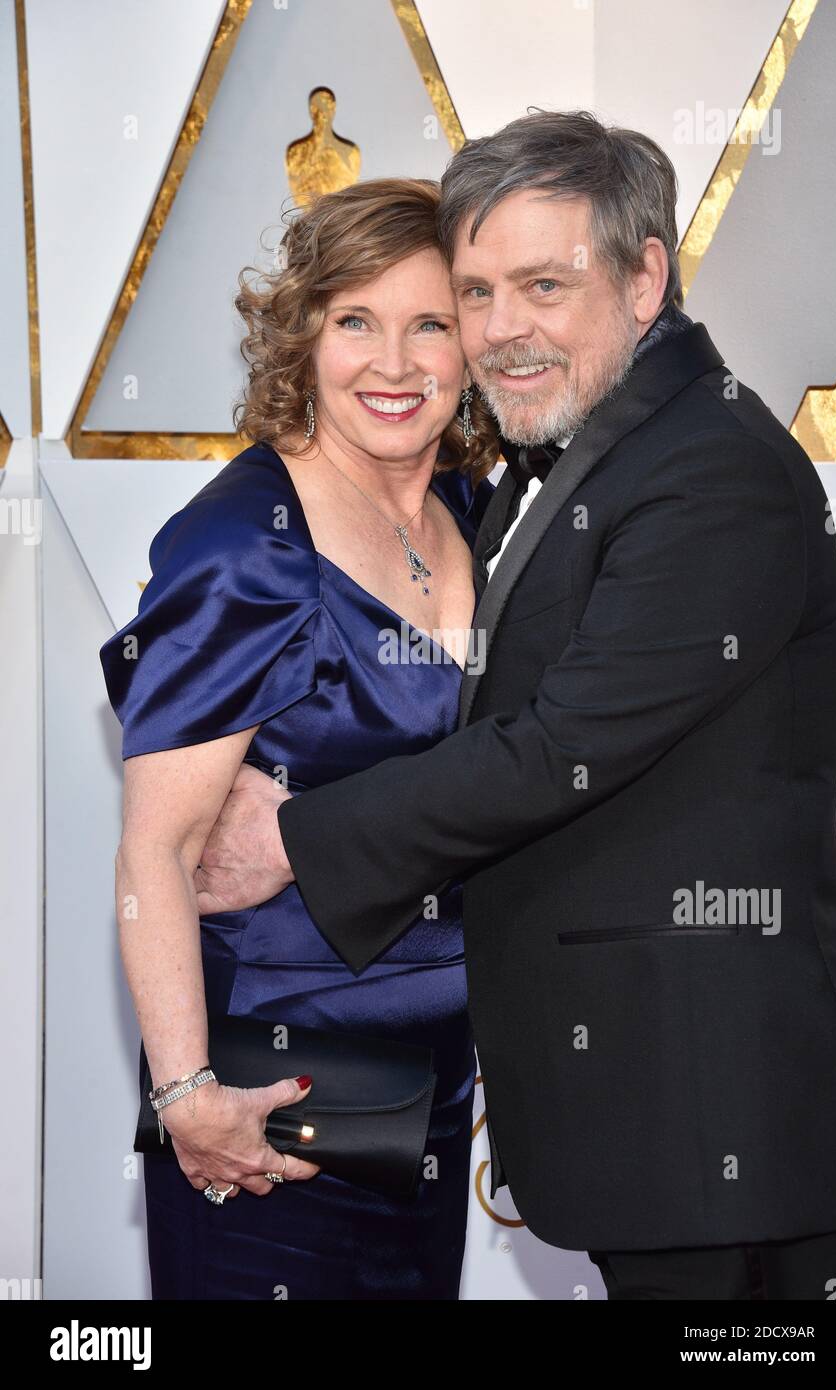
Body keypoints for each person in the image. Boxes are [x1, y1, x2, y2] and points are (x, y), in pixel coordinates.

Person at [195, 111, 836, 1301]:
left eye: (543, 285)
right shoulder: (560, 462)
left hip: (723, 1119)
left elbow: (557, 746)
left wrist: (291, 839)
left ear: (644, 274)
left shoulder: (712, 471)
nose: (501, 330)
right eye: (478, 290)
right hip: (635, 1109)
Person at [99, 177, 498, 1300]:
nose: (395, 362)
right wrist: (189, 1099)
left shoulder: (471, 511)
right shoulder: (245, 547)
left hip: (432, 1093)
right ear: (303, 333)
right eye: (354, 321)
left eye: (430, 323)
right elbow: (155, 853)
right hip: (271, 1107)